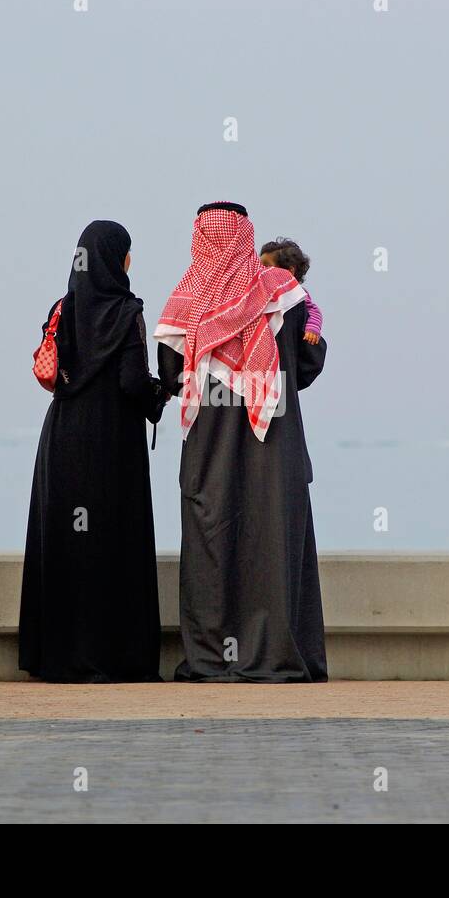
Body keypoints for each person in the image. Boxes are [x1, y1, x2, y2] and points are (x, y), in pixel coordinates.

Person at [154, 202, 327, 682]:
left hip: (208, 448)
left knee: (212, 540)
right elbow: (308, 366)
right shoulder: (283, 292)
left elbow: (170, 377)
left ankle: (212, 658)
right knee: (272, 541)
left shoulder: (184, 303)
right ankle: (275, 656)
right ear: (246, 236)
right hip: (275, 442)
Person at [20, 220, 167, 683]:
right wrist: (160, 396)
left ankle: (59, 657)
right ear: (117, 259)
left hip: (63, 438)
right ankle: (114, 656)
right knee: (112, 543)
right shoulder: (127, 311)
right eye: (127, 254)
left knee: (67, 541)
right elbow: (131, 380)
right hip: (111, 441)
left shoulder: (64, 307)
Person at [260, 237, 323, 345]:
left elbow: (313, 311)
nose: (261, 270)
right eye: (260, 265)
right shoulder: (261, 291)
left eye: (267, 266)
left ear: (289, 271)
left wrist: (312, 329)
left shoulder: (297, 294)